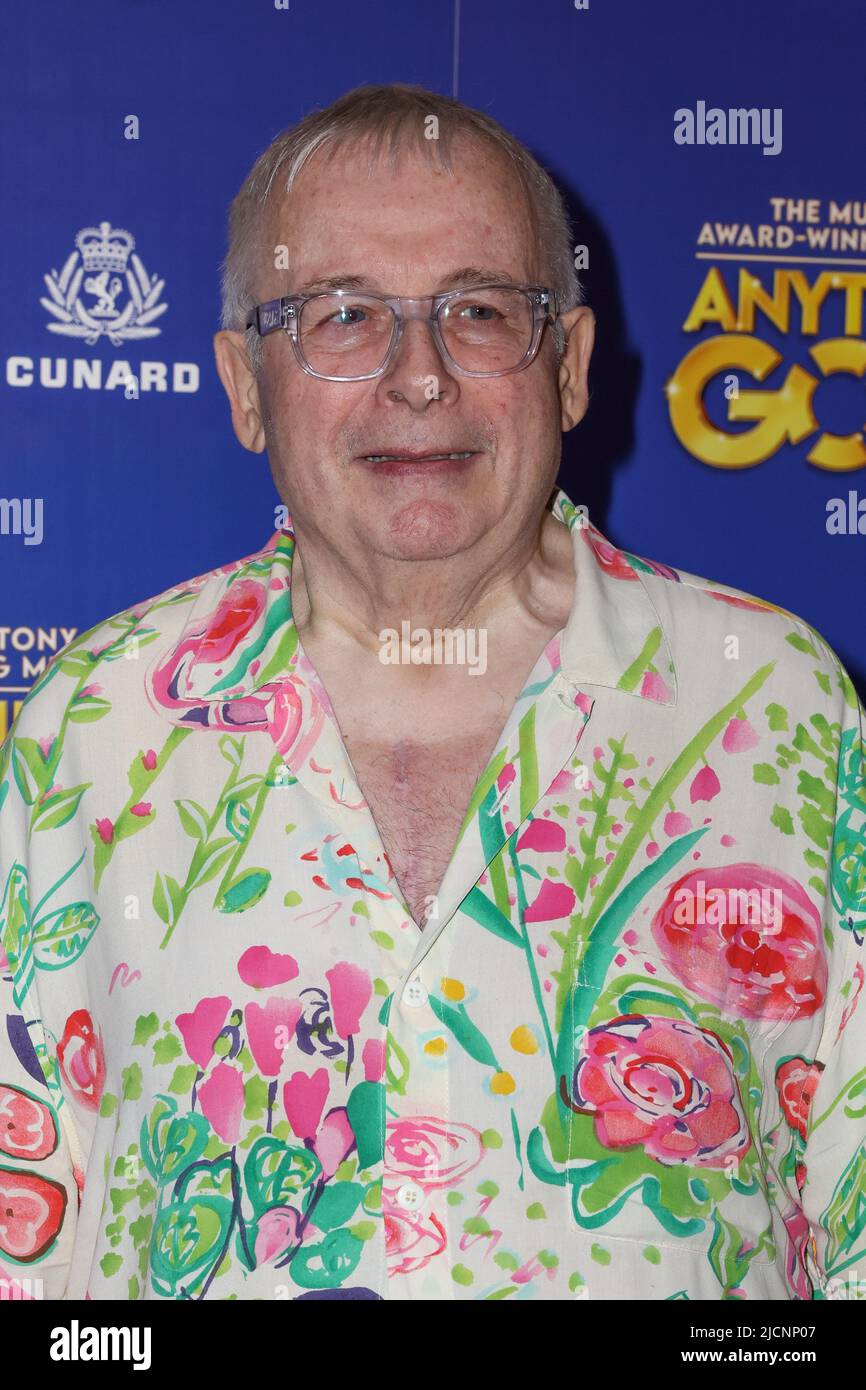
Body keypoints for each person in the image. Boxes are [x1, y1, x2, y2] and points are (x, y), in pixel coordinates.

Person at [1, 83, 863, 1302]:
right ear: (246, 385)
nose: (418, 377)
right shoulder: (91, 729)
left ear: (565, 366)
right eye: (343, 316)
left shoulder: (779, 706)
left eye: (478, 310)